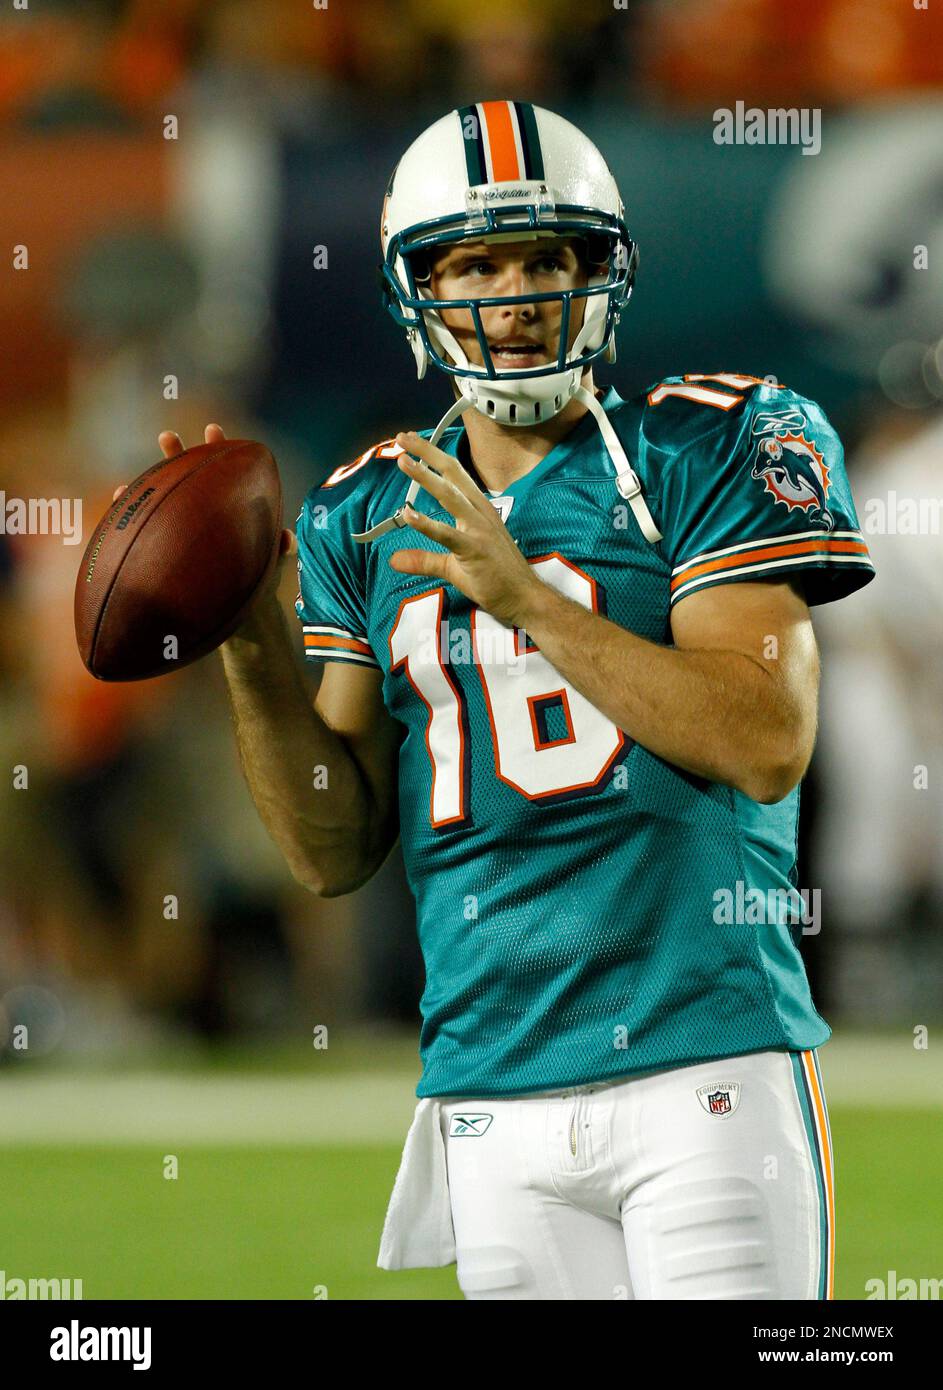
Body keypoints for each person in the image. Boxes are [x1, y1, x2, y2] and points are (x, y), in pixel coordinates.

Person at [177, 102, 876, 1299]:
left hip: (702, 1065)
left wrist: (531, 603)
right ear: (417, 291)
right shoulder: (362, 512)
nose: (513, 293)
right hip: (490, 1089)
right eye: (476, 263)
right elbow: (330, 847)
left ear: (599, 271)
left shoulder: (708, 445)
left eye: (546, 256)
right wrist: (249, 644)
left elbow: (763, 740)